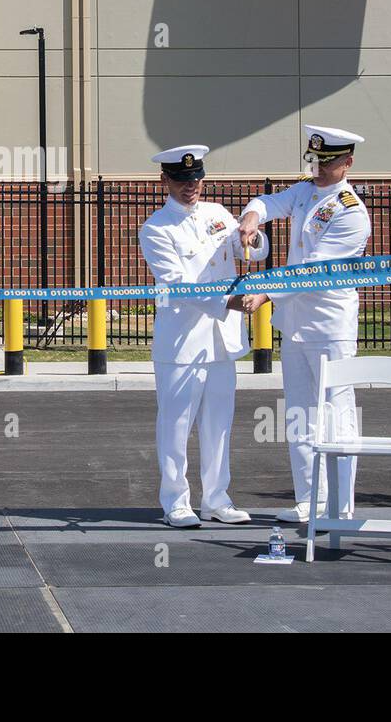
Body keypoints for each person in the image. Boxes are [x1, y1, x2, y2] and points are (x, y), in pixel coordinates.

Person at [237, 126, 371, 523]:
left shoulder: (350, 211)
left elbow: (311, 272)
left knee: (337, 413)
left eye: (326, 162)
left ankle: (341, 506)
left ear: (347, 162)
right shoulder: (305, 191)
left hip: (329, 326)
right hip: (295, 325)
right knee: (300, 415)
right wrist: (250, 218)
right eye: (313, 160)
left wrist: (263, 295)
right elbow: (267, 201)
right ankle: (307, 501)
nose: (318, 168)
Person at [138, 145, 269, 528]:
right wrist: (230, 302)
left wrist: (252, 236)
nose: (189, 187)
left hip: (220, 341)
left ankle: (216, 498)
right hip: (181, 341)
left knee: (219, 425)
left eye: (195, 179)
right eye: (180, 180)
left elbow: (248, 250)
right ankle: (175, 501)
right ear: (165, 181)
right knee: (176, 425)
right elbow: (179, 284)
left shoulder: (217, 213)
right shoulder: (156, 228)